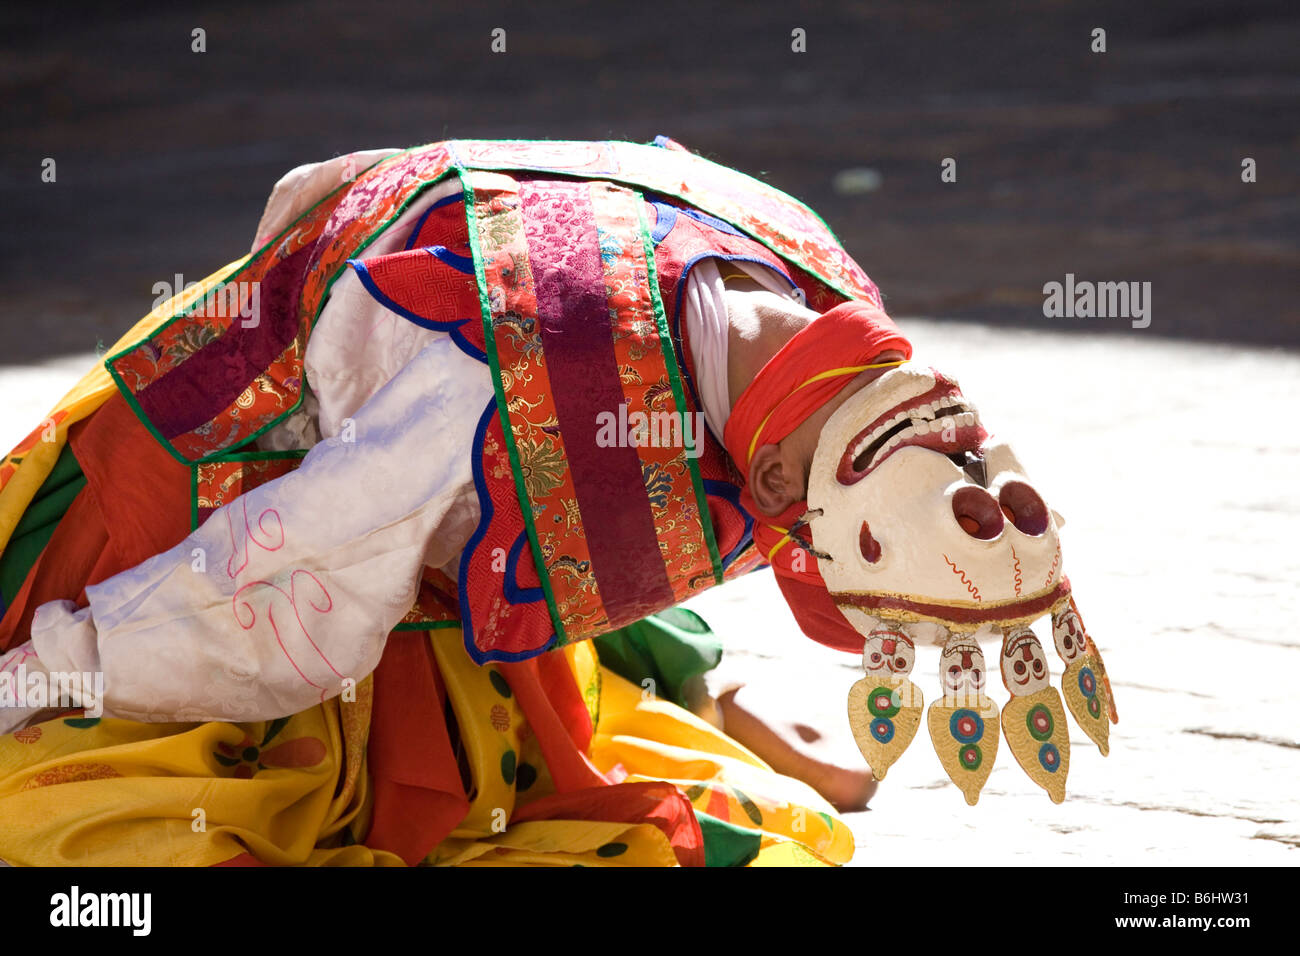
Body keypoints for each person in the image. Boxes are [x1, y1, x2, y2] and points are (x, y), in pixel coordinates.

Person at [0, 137, 1090, 865]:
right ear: (765, 487)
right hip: (196, 531)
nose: (775, 542)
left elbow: (605, 501)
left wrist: (698, 674)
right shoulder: (488, 392)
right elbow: (272, 587)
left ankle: (685, 679)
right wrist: (50, 668)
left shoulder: (813, 289)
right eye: (794, 530)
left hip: (406, 505)